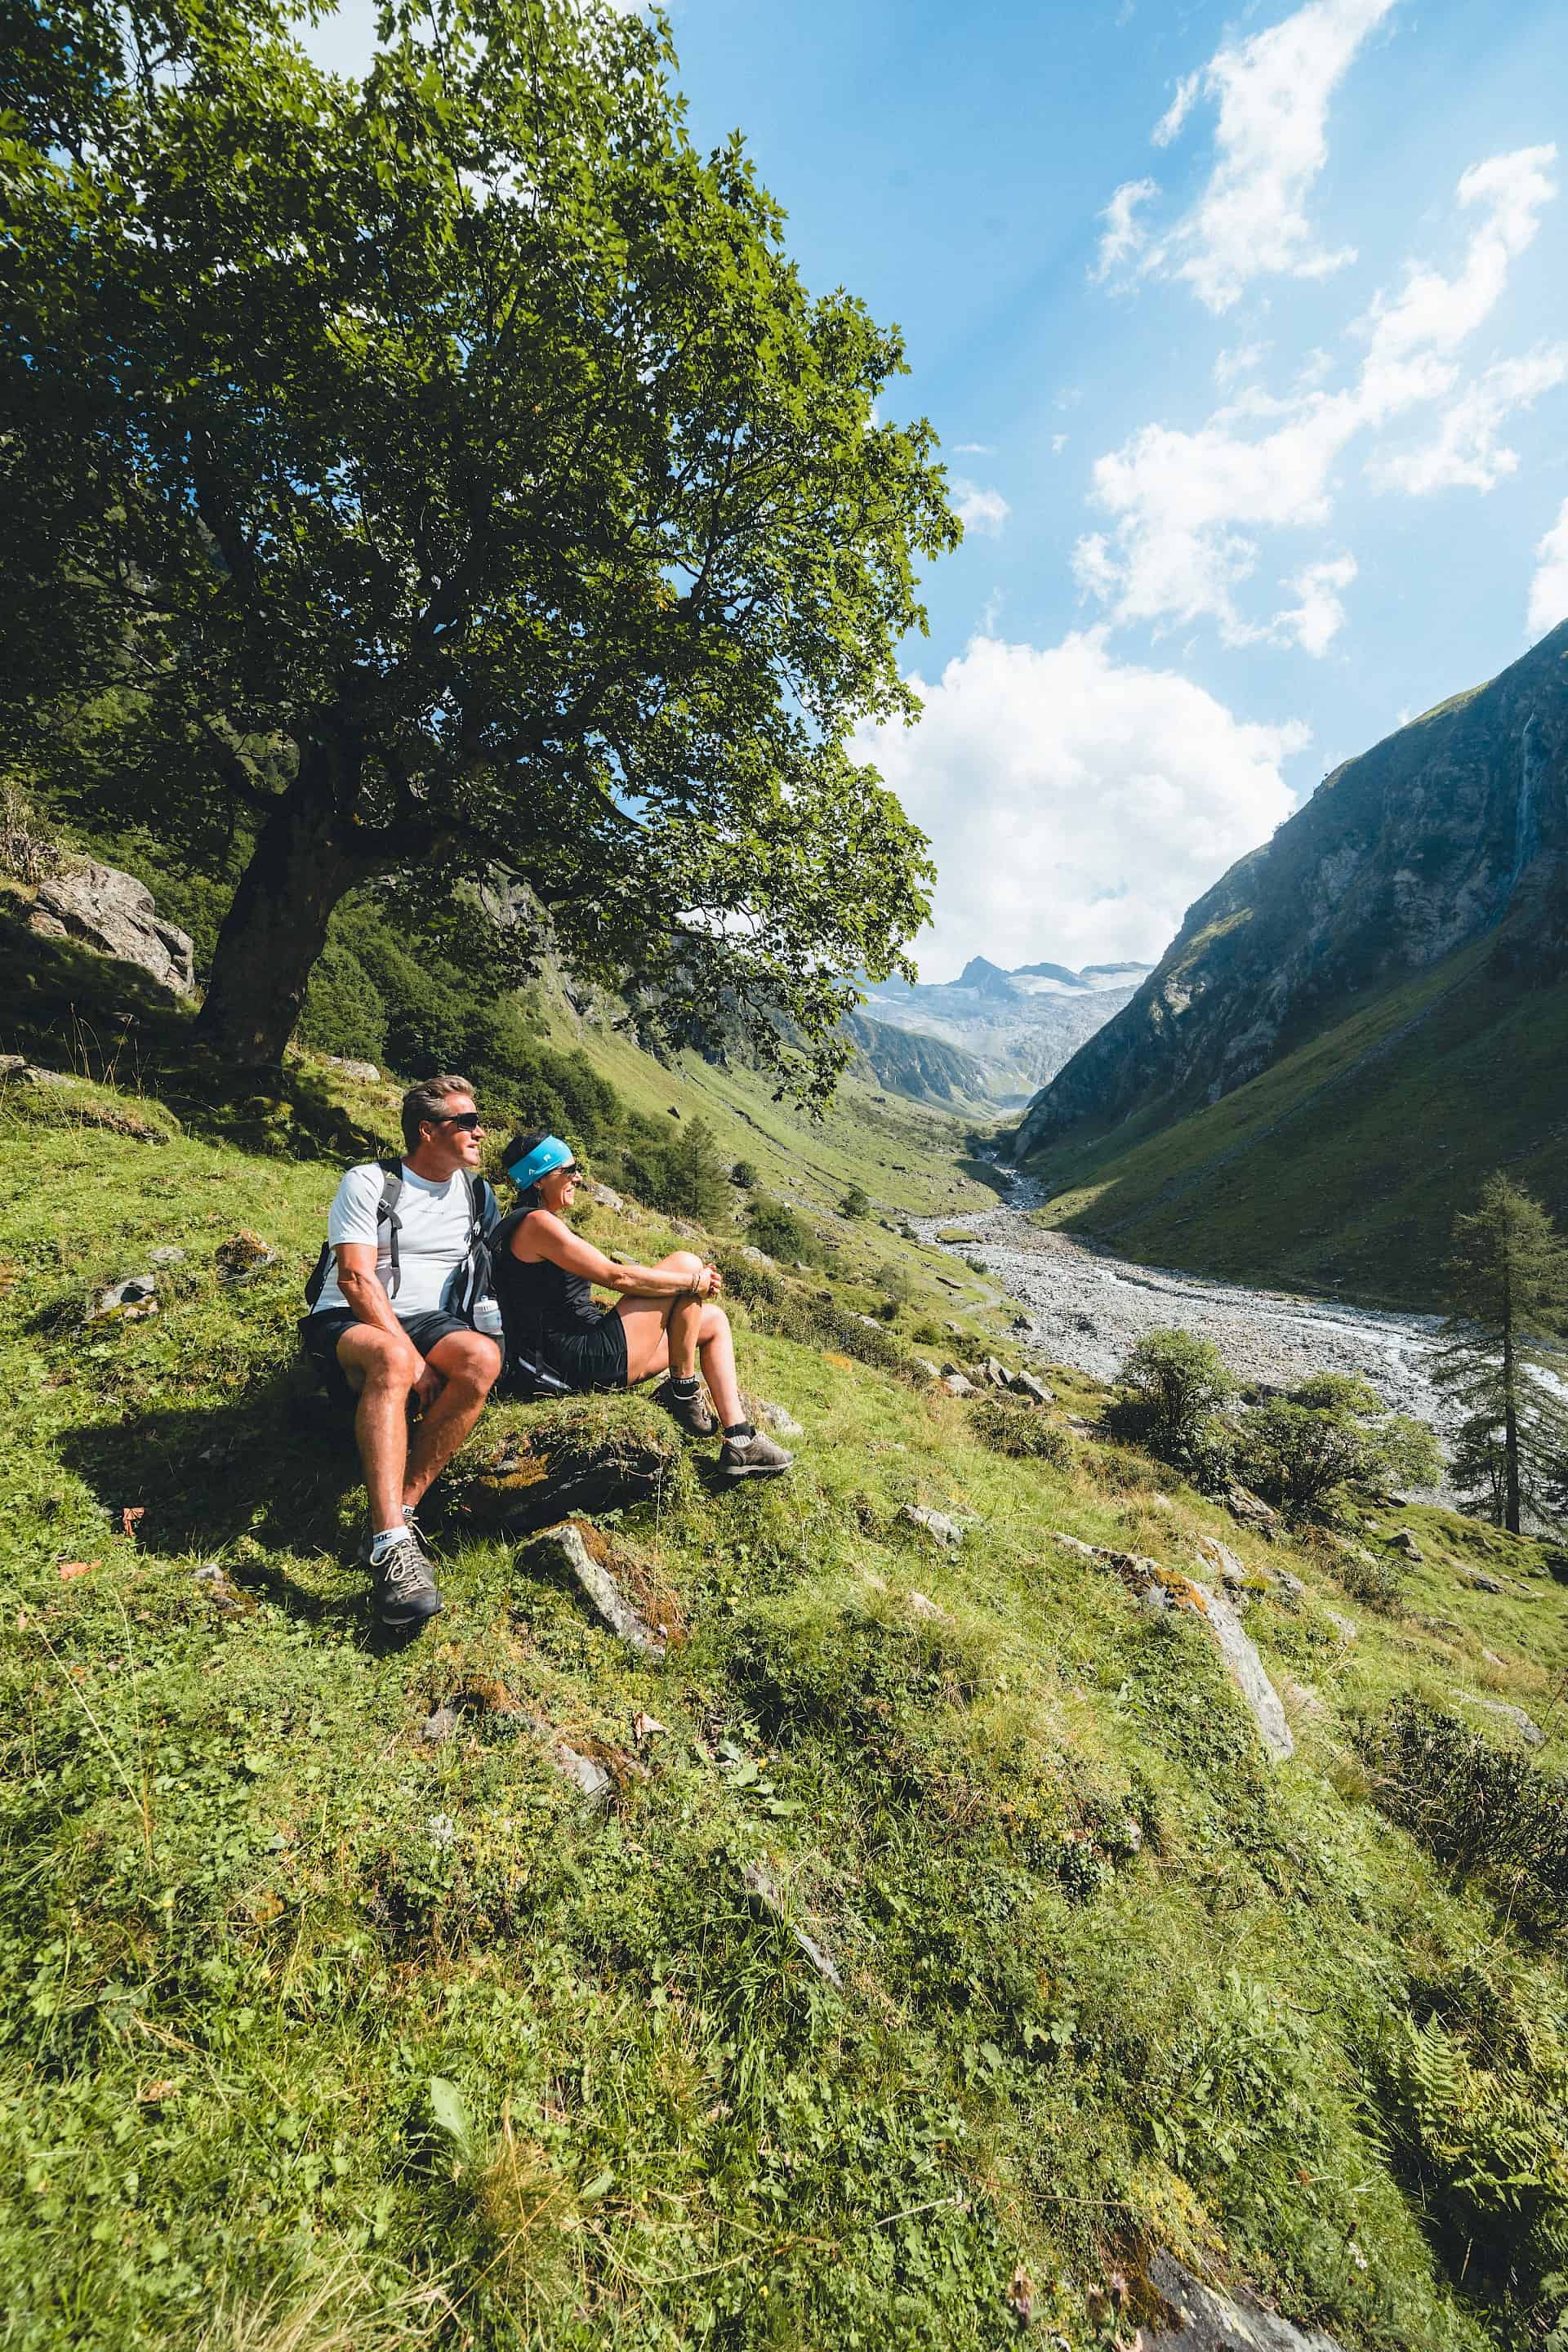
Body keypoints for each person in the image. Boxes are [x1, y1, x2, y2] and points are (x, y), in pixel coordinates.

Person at [301, 1076, 503, 1627]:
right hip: (350, 1317)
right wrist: (410, 1355)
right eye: (465, 1122)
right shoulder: (369, 1181)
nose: (479, 1132)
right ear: (426, 1131)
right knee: (391, 1360)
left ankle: (403, 1512)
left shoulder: (475, 1192)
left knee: (483, 1360)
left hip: (432, 1320)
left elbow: (491, 1274)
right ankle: (389, 1546)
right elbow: (355, 1279)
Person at [492, 1131, 793, 1479]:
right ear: (541, 1179)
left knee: (712, 1322)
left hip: (584, 1353)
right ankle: (683, 1391)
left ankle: (740, 1440)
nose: (578, 1176)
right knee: (685, 1262)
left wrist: (690, 1287)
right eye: (569, 1169)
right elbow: (616, 1277)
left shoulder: (531, 1222)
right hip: (578, 1359)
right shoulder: (536, 1224)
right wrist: (692, 1282)